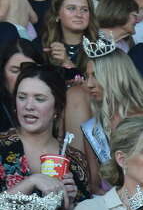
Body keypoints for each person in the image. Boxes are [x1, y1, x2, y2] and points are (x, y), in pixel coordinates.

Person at [1, 64, 89, 201]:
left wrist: (69, 204)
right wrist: (31, 182)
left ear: (57, 108)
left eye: (39, 99)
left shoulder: (74, 160)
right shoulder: (2, 146)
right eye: (22, 97)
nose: (28, 106)